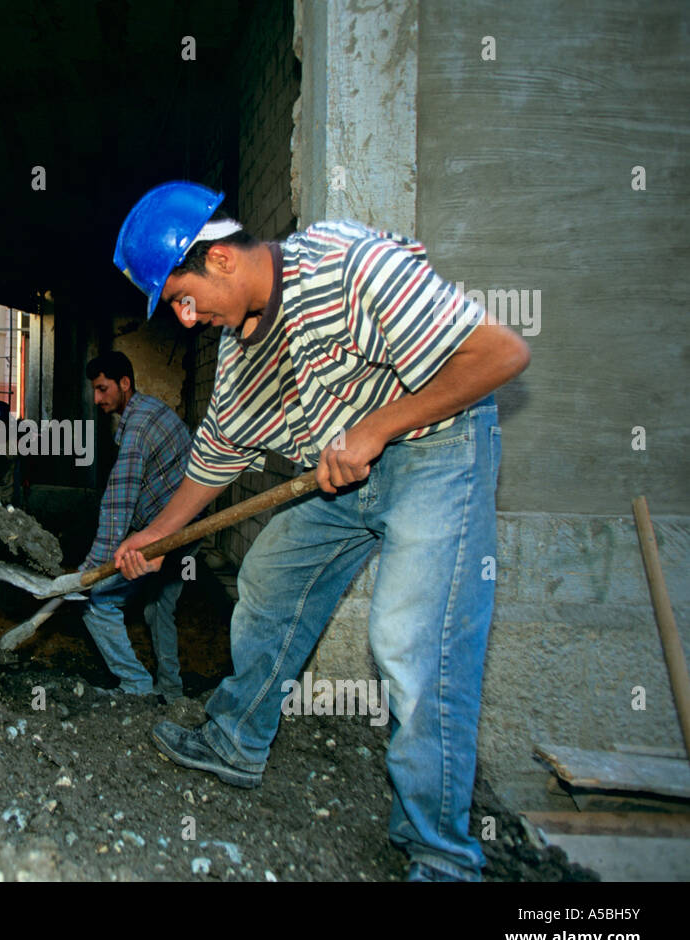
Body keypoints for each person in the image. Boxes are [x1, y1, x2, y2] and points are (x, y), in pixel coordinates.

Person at [111, 182, 530, 882]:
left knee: (409, 642)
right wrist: (151, 539)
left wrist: (375, 428)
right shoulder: (243, 359)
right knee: (270, 578)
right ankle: (235, 740)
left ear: (218, 259)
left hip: (439, 450)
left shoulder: (344, 265)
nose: (185, 321)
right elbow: (210, 468)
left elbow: (499, 354)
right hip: (343, 476)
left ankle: (442, 855)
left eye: (183, 298)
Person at [80, 351, 196, 701]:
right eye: (95, 391)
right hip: (186, 529)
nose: (97, 398)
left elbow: (119, 502)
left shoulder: (139, 427)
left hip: (174, 534)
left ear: (124, 384)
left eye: (103, 389)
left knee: (97, 604)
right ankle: (172, 693)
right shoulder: (147, 411)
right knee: (158, 605)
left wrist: (91, 571)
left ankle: (136, 684)